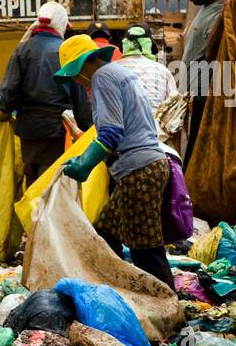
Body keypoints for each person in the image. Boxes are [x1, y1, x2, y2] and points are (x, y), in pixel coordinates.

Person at [55, 33, 175, 287]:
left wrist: (84, 165)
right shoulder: (117, 73)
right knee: (107, 232)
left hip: (139, 170)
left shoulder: (103, 77)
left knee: (146, 249)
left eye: (74, 73)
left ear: (85, 64)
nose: (76, 80)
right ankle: (121, 288)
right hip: (145, 165)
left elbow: (111, 132)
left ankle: (166, 305)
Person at [0, 0, 92, 184]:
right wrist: (89, 131)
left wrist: (4, 111)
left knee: (33, 185)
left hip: (29, 132)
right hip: (59, 132)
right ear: (62, 25)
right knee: (55, 184)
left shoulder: (22, 49)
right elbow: (81, 99)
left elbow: (9, 92)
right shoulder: (67, 51)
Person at [175, 0, 228, 165]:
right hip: (197, 98)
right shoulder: (206, 10)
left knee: (198, 160)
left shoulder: (224, 13)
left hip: (208, 99)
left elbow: (219, 61)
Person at [116, 22, 180, 111]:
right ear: (148, 45)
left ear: (125, 45)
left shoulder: (112, 70)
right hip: (155, 123)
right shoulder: (163, 71)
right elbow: (174, 106)